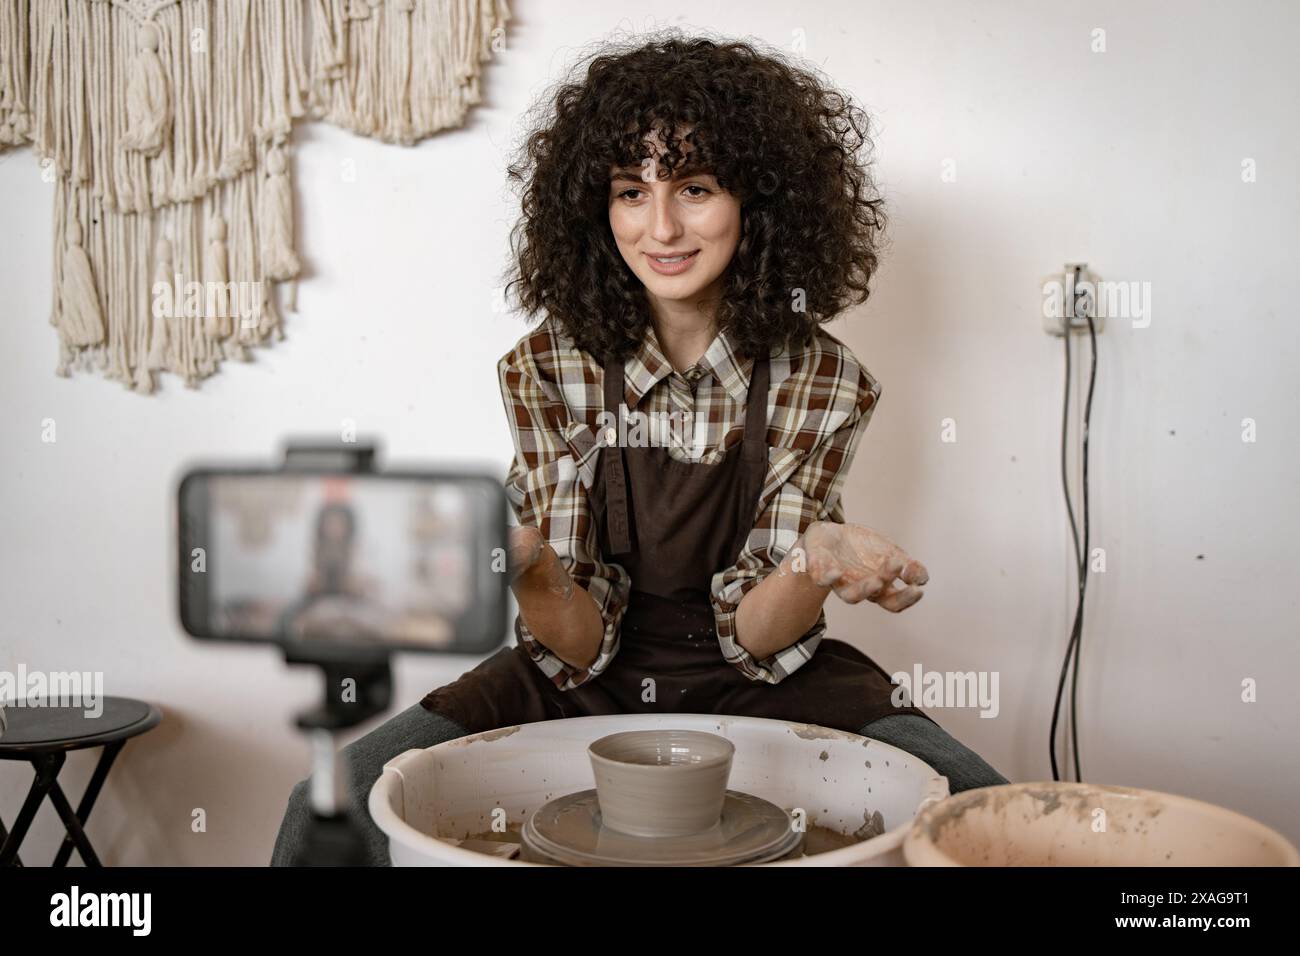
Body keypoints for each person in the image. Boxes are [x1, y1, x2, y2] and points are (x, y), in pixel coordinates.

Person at [272, 31, 1007, 866]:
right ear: (596, 206)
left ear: (760, 203)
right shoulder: (548, 367)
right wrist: (530, 566)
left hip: (767, 671)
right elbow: (575, 643)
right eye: (631, 191)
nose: (660, 226)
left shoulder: (823, 376)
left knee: (988, 809)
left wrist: (817, 559)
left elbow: (756, 638)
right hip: (579, 667)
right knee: (329, 800)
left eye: (694, 187)